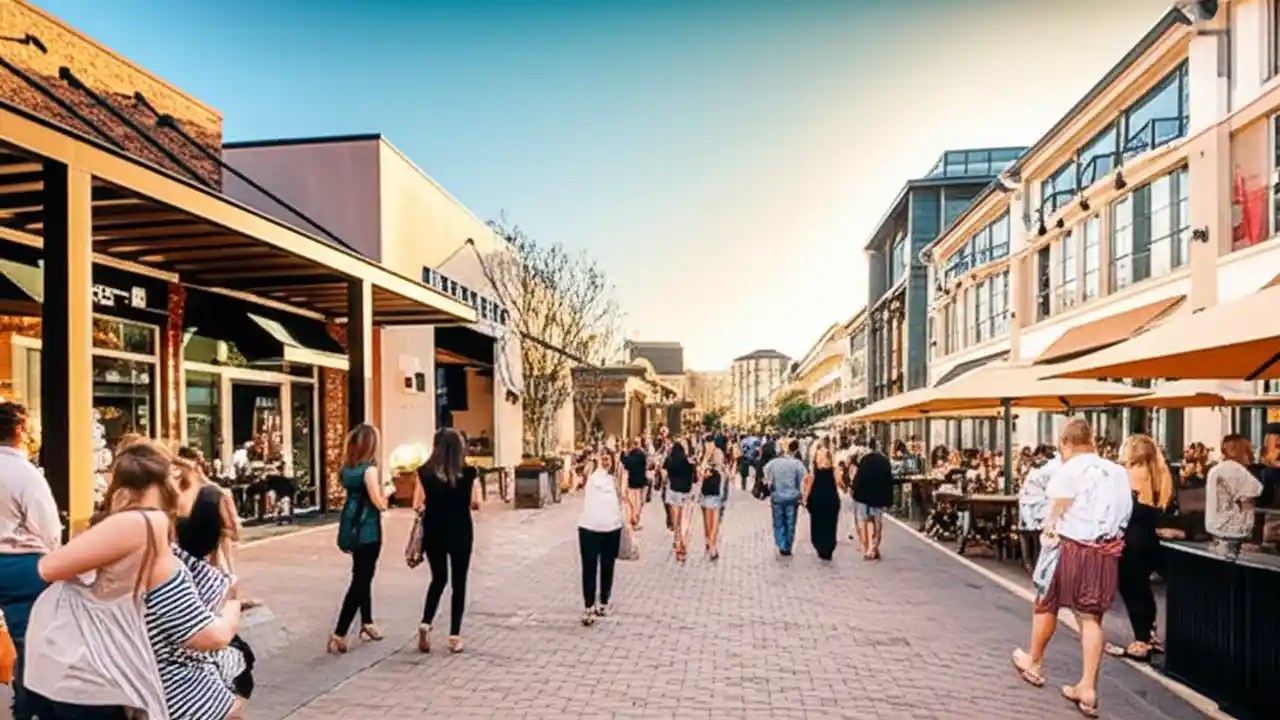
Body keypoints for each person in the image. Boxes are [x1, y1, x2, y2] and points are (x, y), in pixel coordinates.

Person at [25, 441, 243, 719]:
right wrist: (232, 608)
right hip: (100, 679)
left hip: (83, 673)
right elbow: (47, 568)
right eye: (188, 482)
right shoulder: (147, 524)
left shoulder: (135, 530)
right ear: (170, 483)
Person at [1013, 419, 1132, 718]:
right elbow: (1126, 510)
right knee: (1091, 618)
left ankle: (1034, 661)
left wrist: (1049, 529)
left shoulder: (1070, 470)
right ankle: (1088, 688)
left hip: (1070, 546)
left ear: (1065, 443)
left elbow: (1058, 506)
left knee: (1045, 602)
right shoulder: (1117, 471)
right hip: (1105, 551)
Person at [0, 403, 59, 720]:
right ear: (21, 432)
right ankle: (27, 710)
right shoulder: (26, 474)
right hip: (22, 565)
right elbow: (48, 531)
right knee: (30, 644)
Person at [1104, 434, 1173, 662]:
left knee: (1132, 588)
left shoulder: (1126, 474)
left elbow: (1120, 507)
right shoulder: (1161, 473)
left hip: (1131, 535)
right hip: (1152, 535)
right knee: (1145, 589)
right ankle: (1151, 635)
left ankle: (1141, 639)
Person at [413, 428, 481, 654]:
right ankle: (454, 636)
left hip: (434, 530)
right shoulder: (469, 472)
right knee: (458, 582)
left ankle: (426, 622)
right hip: (460, 530)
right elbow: (475, 503)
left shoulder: (424, 472)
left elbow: (417, 504)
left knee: (438, 578)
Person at [329, 424, 387, 654]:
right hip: (368, 528)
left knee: (362, 573)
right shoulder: (369, 470)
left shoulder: (346, 470)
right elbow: (378, 502)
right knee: (361, 579)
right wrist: (389, 492)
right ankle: (340, 632)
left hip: (350, 524)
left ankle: (367, 621)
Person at [577, 450, 624, 626]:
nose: (604, 462)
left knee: (607, 567)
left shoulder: (617, 477)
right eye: (602, 458)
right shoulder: (591, 472)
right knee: (588, 568)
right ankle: (588, 607)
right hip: (588, 528)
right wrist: (593, 461)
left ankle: (603, 602)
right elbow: (579, 478)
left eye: (607, 459)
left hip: (612, 528)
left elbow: (623, 495)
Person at [1204, 433, 1264, 555]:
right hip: (1233, 531)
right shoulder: (1235, 469)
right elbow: (1254, 495)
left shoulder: (1215, 469)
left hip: (1216, 529)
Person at [1017, 445, 1061, 574]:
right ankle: (1032, 564)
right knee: (1033, 535)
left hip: (1040, 508)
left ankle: (1034, 565)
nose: (1038, 459)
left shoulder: (1045, 468)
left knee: (1036, 536)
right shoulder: (1046, 469)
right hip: (1035, 507)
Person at [852, 439, 894, 560]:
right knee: (877, 521)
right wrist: (889, 499)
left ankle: (867, 547)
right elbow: (888, 481)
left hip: (863, 495)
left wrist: (854, 490)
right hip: (878, 496)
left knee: (864, 521)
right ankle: (874, 547)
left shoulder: (865, 460)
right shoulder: (885, 461)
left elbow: (858, 477)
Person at [763, 440, 806, 556]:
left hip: (777, 496)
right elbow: (804, 478)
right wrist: (802, 494)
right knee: (791, 521)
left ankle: (781, 543)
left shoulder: (773, 463)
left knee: (778, 521)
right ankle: (788, 544)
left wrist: (771, 483)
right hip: (793, 496)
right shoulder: (797, 463)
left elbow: (765, 473)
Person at [803, 446, 841, 560]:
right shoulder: (834, 470)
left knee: (817, 523)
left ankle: (820, 546)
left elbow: (809, 484)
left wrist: (805, 498)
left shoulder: (814, 470)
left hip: (817, 499)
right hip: (831, 499)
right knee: (830, 524)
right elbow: (839, 482)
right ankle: (828, 546)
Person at [663, 439, 697, 562]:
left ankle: (677, 542)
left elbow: (664, 472)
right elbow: (695, 477)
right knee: (684, 520)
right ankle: (683, 542)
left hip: (672, 492)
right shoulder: (689, 461)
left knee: (675, 520)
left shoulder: (670, 460)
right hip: (685, 493)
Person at [698, 437, 728, 561]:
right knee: (713, 521)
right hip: (713, 492)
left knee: (709, 520)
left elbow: (701, 472)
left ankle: (709, 542)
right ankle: (712, 545)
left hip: (709, 492)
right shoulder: (714, 455)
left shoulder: (706, 457)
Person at [621, 437, 648, 531]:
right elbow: (645, 467)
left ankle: (632, 520)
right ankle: (635, 520)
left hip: (631, 482)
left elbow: (625, 467)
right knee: (638, 503)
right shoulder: (642, 455)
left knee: (632, 503)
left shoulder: (628, 456)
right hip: (640, 483)